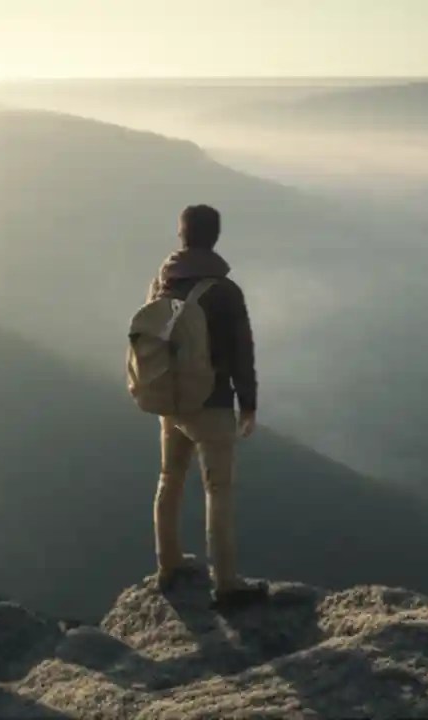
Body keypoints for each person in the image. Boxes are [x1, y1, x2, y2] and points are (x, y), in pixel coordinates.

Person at [146, 204, 268, 607]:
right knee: (218, 489)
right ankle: (228, 583)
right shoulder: (224, 291)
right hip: (211, 403)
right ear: (215, 237)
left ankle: (168, 564)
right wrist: (248, 405)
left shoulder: (162, 282)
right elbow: (241, 353)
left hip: (171, 398)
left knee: (170, 478)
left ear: (181, 235)